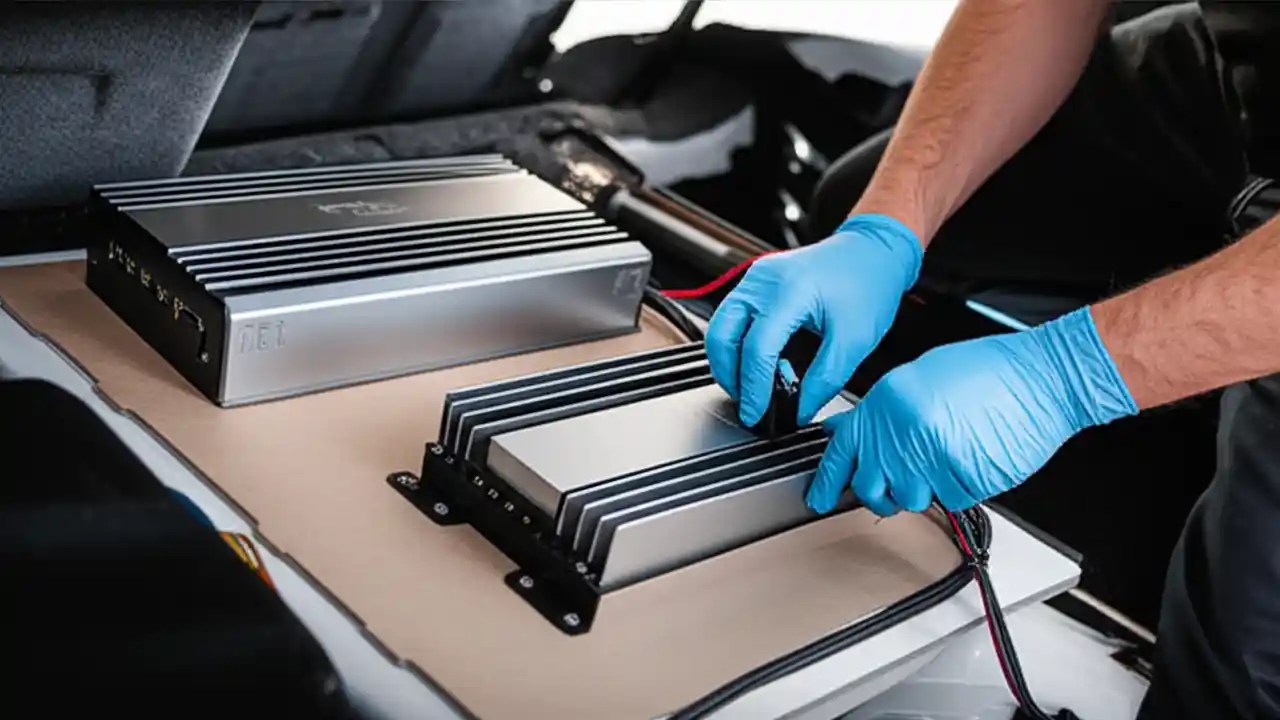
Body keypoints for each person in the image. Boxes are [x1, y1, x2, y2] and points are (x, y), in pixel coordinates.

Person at [703, 1, 1280, 718]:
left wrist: (1067, 376)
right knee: (857, 199)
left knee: (1230, 683)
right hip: (1249, 78)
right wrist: (885, 229)